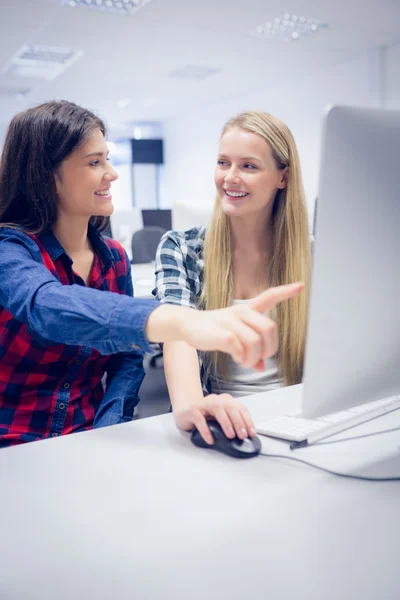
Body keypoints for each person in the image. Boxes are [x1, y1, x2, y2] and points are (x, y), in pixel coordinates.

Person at [0, 101, 303, 448]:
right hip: (14, 443)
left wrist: (106, 430)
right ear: (46, 174)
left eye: (108, 159)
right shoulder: (9, 250)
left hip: (90, 438)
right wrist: (182, 322)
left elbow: (127, 361)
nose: (112, 173)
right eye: (95, 162)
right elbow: (47, 306)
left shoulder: (112, 258)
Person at [154, 111, 311, 444]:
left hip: (298, 416)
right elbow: (177, 332)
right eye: (223, 163)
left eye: (249, 166)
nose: (230, 177)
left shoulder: (313, 254)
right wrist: (193, 405)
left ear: (283, 177)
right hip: (221, 415)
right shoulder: (181, 248)